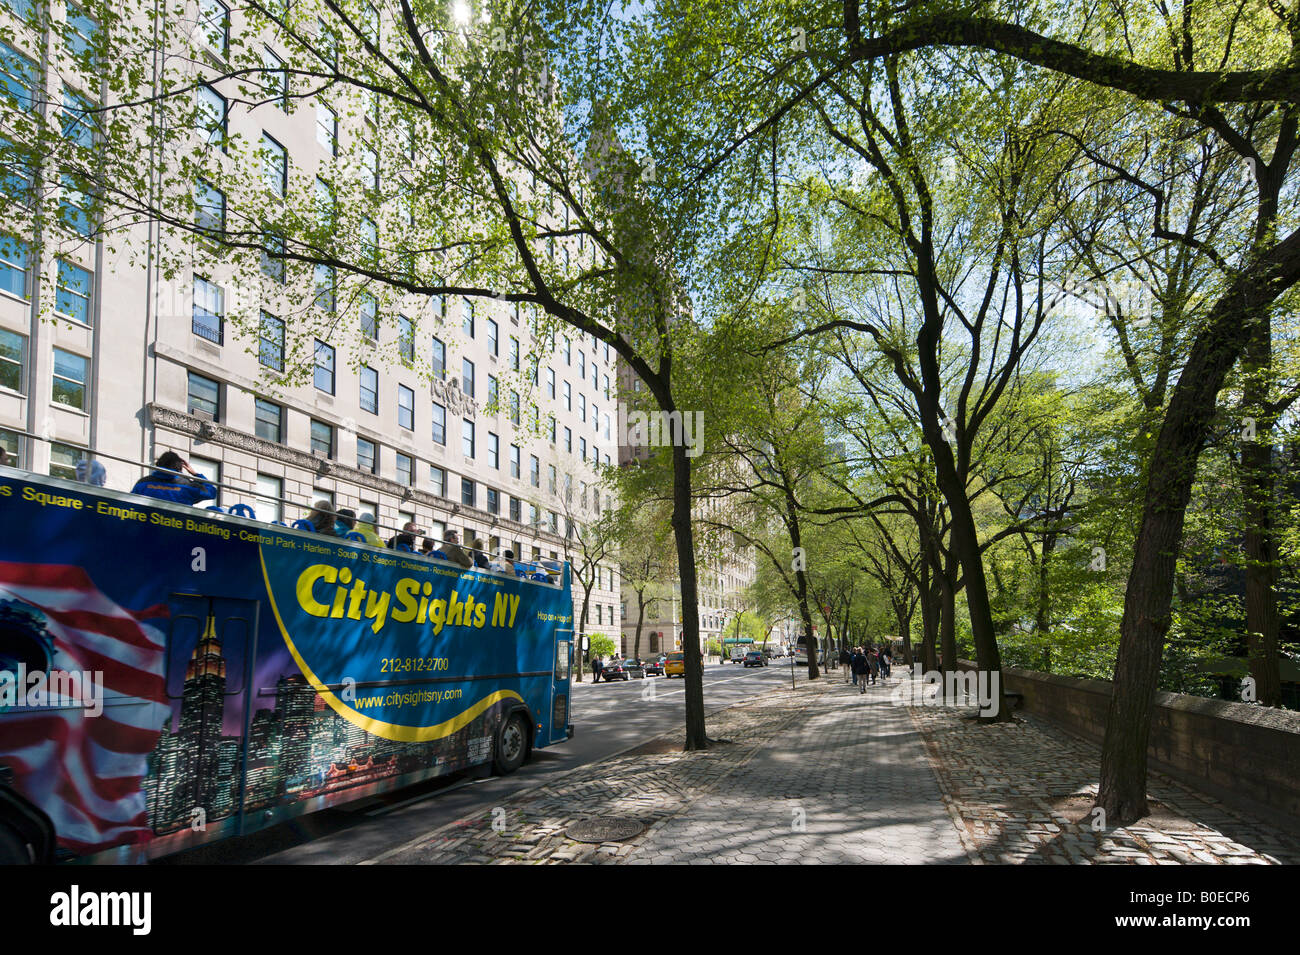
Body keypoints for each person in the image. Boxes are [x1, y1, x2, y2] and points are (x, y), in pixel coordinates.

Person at [131, 452, 217, 505]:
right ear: (180, 467)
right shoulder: (188, 486)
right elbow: (211, 492)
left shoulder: (142, 483)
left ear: (158, 464)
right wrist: (196, 474)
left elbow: (130, 503)